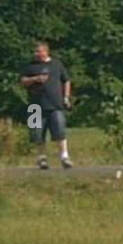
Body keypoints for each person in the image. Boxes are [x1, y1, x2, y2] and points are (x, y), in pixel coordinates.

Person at [19, 40, 73, 169]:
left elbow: (66, 80)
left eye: (39, 51)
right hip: (35, 106)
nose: (36, 54)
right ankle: (41, 158)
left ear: (46, 51)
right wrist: (35, 79)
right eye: (35, 51)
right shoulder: (30, 66)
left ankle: (64, 156)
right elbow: (22, 81)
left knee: (60, 130)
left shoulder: (56, 64)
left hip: (55, 104)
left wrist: (66, 97)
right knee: (36, 133)